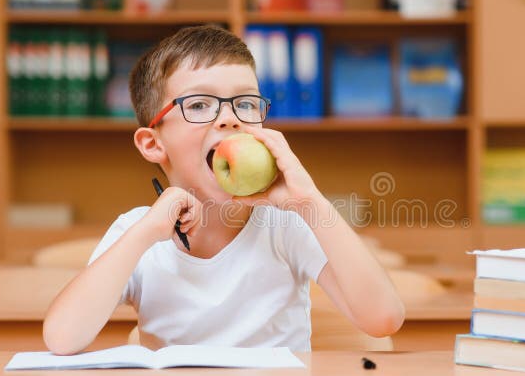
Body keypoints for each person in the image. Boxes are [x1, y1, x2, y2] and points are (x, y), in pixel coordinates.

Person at [43, 25, 405, 355]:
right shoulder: (138, 232)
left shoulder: (286, 224)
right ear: (153, 144)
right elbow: (62, 338)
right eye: (199, 104)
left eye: (245, 103)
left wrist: (310, 202)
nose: (230, 117)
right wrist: (147, 232)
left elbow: (383, 318)